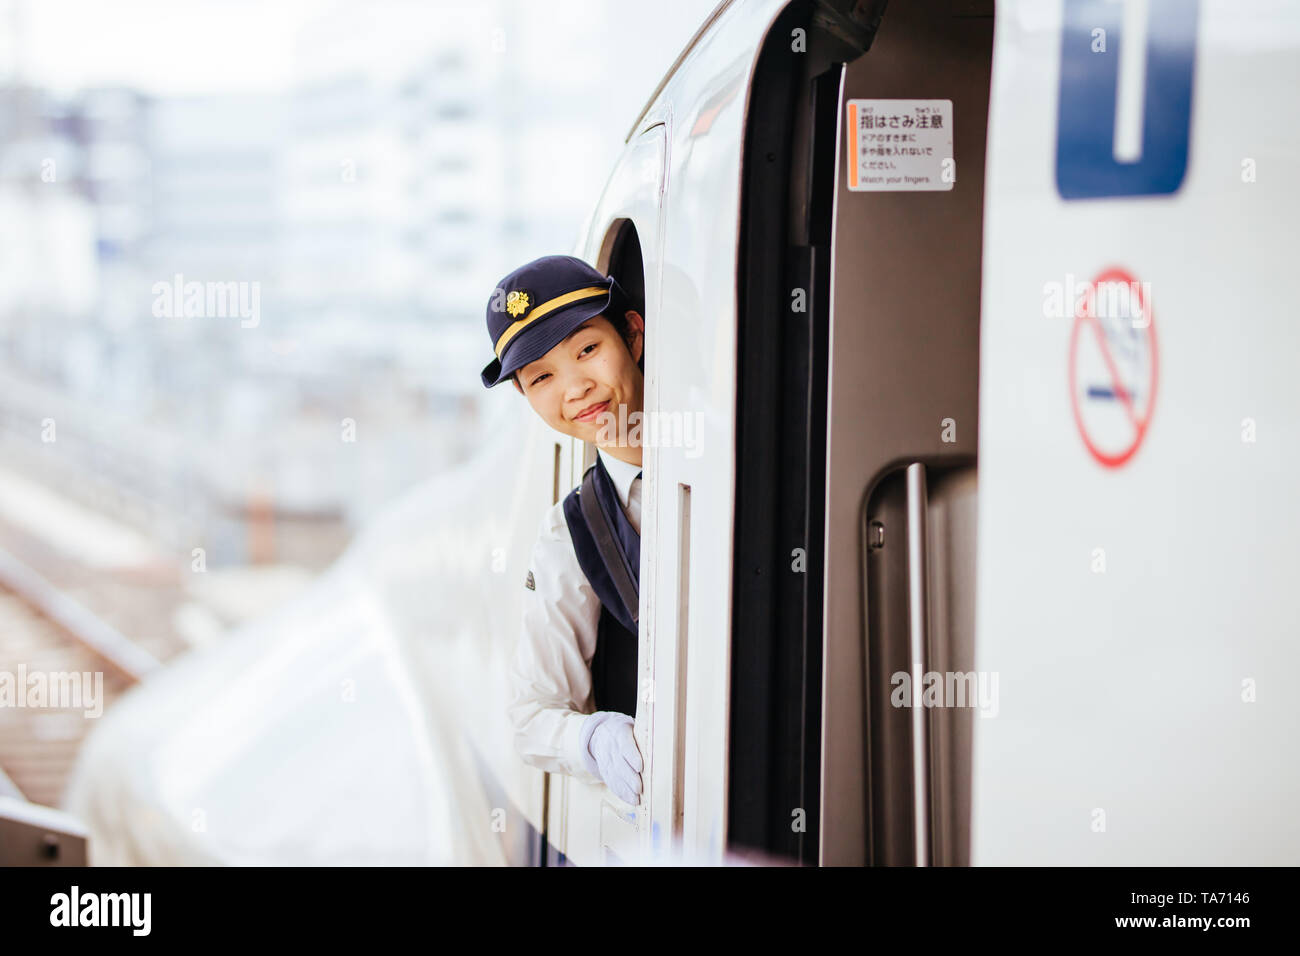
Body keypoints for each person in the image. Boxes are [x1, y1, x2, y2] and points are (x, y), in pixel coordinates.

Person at [480, 254, 646, 807]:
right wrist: (591, 737)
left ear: (632, 334)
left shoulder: (730, 452)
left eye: (587, 350)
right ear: (526, 398)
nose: (574, 389)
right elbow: (531, 716)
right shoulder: (569, 535)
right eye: (542, 377)